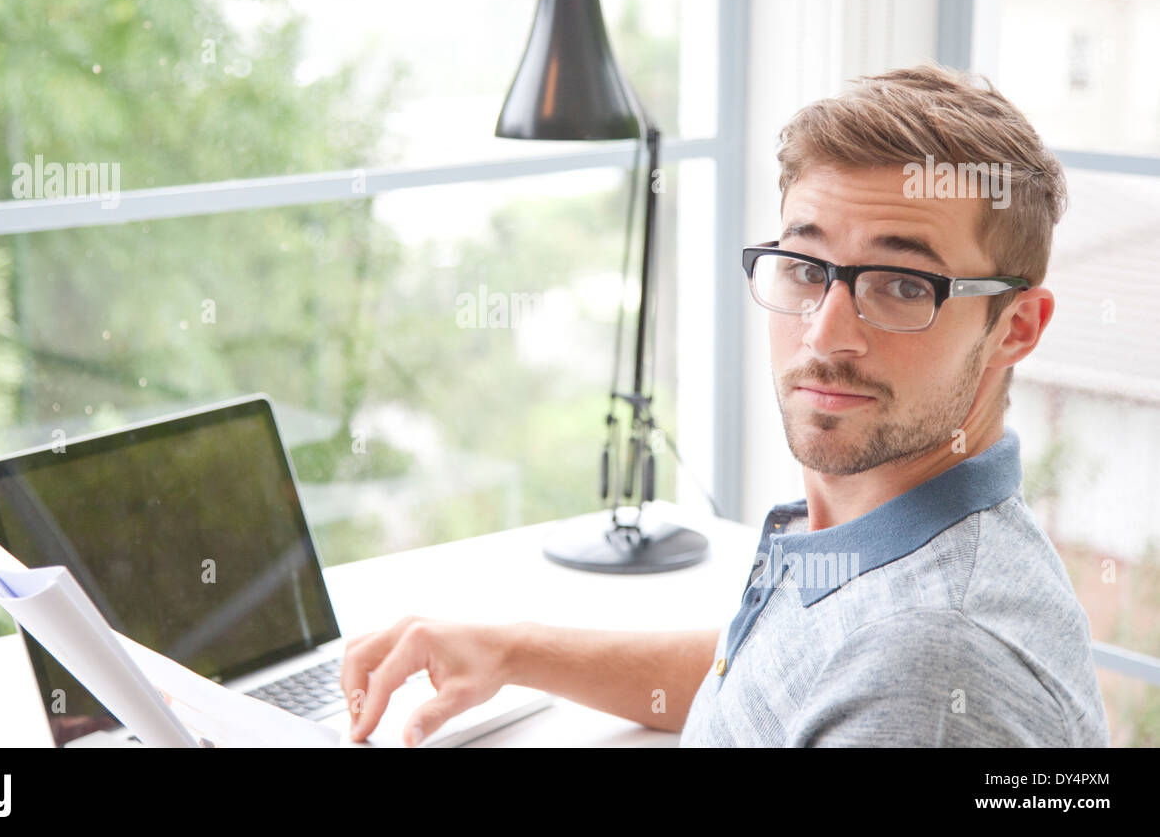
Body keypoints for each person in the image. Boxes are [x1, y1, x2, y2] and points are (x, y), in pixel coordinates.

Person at [339, 62, 1110, 747]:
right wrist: (513, 652)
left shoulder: (928, 666)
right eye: (807, 268)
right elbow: (766, 683)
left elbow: (875, 680)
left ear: (1015, 327)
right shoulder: (875, 543)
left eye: (903, 285)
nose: (825, 333)